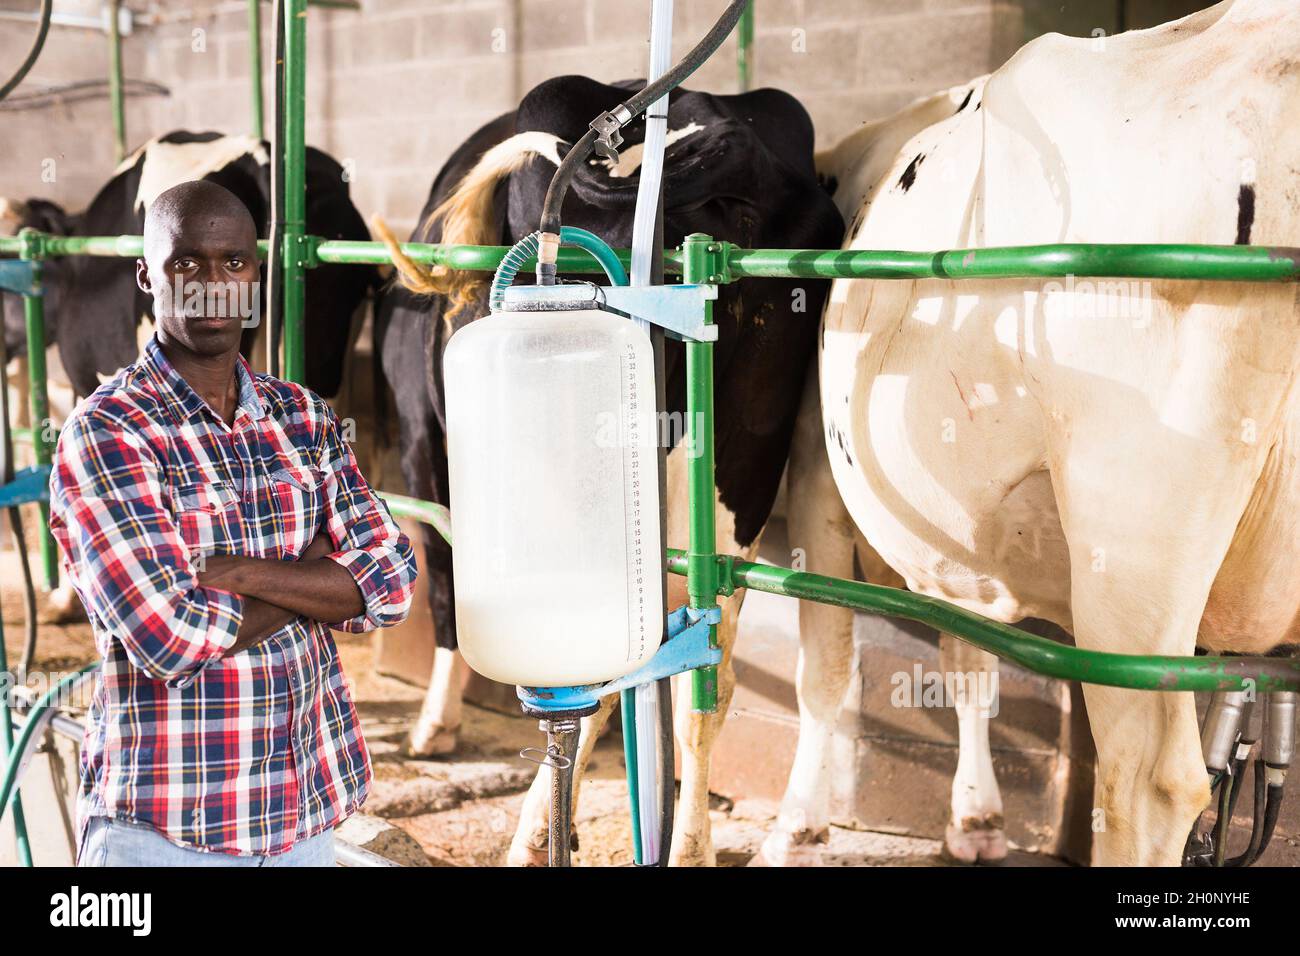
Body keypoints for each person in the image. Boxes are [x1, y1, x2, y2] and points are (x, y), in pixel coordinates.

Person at [49, 179, 417, 866]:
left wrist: (242, 574)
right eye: (186, 263)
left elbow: (392, 579)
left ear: (256, 273)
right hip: (164, 829)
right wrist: (315, 578)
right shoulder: (110, 433)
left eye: (235, 261)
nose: (213, 283)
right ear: (147, 276)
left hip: (302, 812)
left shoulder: (302, 415)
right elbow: (168, 637)